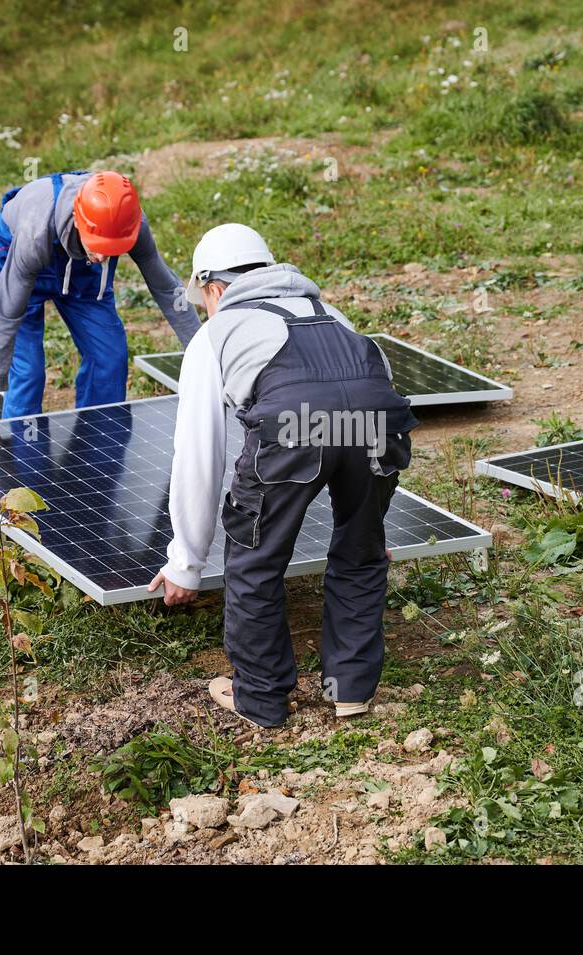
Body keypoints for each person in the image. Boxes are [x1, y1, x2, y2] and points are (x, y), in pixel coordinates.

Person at [147, 224, 417, 728]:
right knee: (361, 555)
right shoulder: (329, 314)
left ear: (215, 288)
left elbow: (199, 454)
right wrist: (372, 522)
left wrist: (186, 562)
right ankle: (349, 692)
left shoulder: (215, 334)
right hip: (379, 425)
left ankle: (262, 700)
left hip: (296, 428)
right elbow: (365, 390)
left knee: (256, 560)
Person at [0, 170, 197, 425]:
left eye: (113, 250)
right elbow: (4, 312)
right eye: (100, 246)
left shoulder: (130, 222)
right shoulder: (34, 232)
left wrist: (202, 351)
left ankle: (100, 450)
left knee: (110, 358)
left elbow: (167, 288)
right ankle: (23, 459)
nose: (104, 258)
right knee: (28, 370)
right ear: (78, 220)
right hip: (13, 254)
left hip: (83, 269)